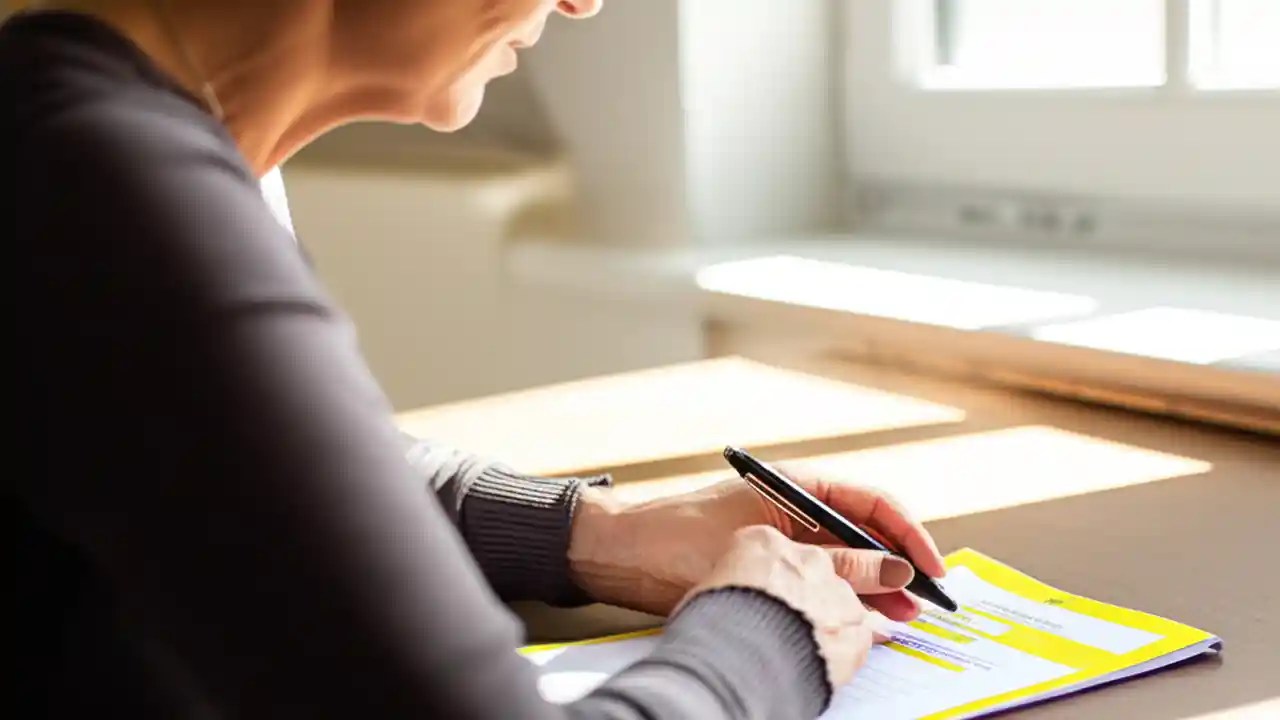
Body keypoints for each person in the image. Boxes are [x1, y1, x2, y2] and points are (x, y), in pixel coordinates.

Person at [6, 1, 948, 718]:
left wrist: (596, 534)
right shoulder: (108, 189)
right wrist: (766, 629)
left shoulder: (79, 130)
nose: (584, 3)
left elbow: (211, 469)